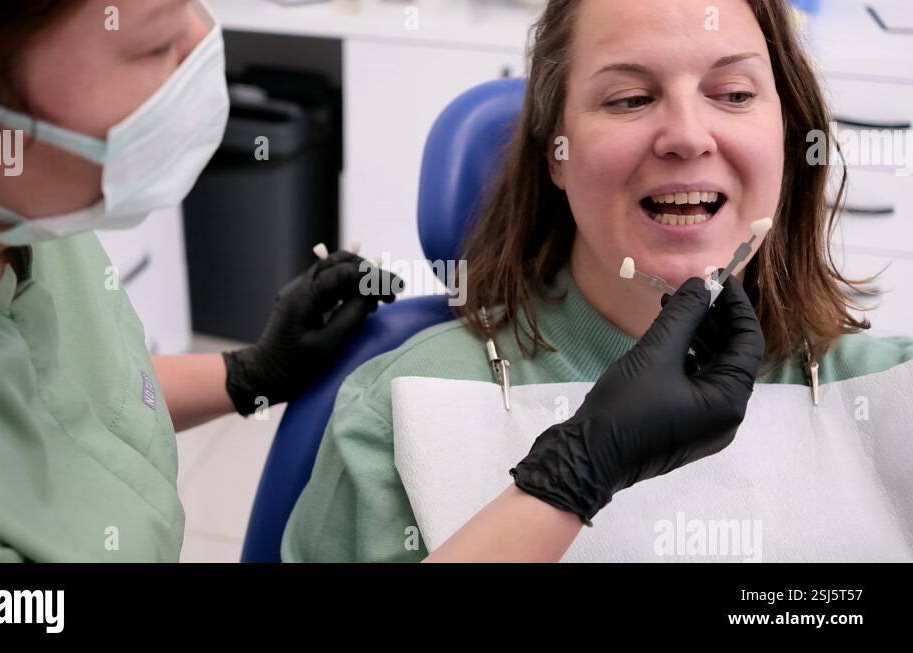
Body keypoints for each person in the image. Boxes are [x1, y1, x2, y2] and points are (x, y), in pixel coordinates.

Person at [281, 0, 913, 562]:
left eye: (735, 93)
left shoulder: (891, 391)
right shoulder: (403, 409)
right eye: (629, 99)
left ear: (787, 133)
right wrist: (572, 476)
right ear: (556, 152)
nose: (688, 137)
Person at [0, 0, 399, 562]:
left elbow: (73, 395)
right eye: (153, 44)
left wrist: (251, 373)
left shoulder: (26, 211)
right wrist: (525, 507)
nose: (202, 46)